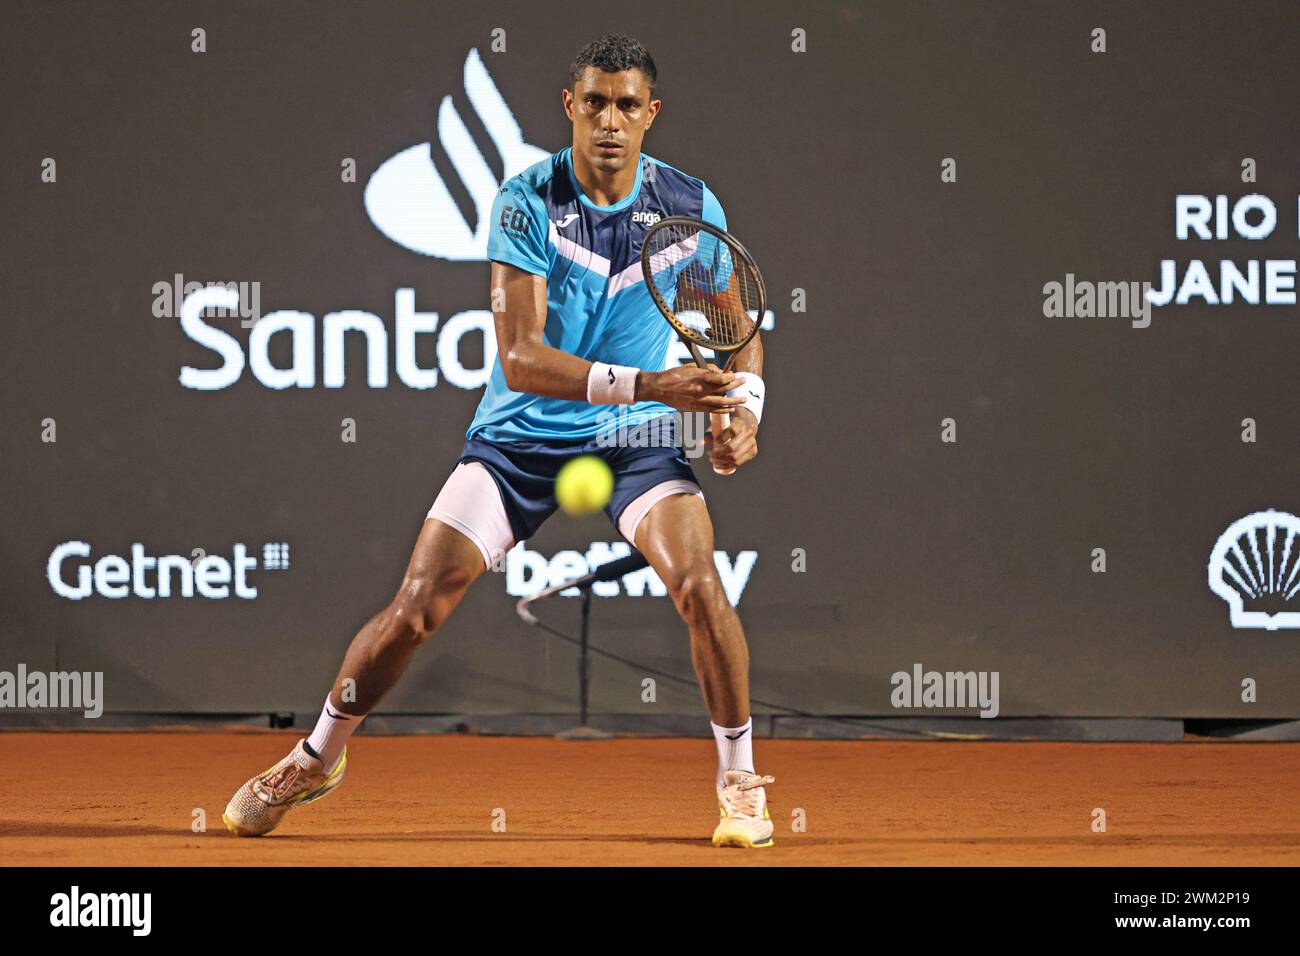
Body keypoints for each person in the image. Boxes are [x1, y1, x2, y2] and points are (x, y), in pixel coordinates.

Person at [223, 33, 773, 848]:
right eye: (594, 103)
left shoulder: (692, 206)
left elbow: (734, 332)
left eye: (627, 106)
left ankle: (740, 782)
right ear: (570, 108)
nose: (610, 122)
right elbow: (520, 360)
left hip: (636, 440)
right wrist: (657, 385)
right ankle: (315, 756)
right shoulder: (526, 201)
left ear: (651, 114)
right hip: (520, 438)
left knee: (700, 585)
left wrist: (744, 412)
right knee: (415, 609)